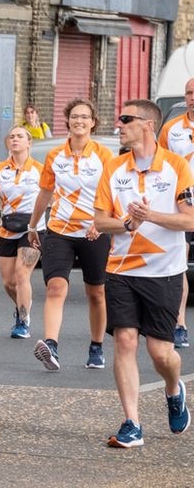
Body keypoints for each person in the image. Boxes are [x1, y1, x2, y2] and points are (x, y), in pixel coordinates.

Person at [94, 99, 192, 448]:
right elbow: (100, 221)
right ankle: (132, 422)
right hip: (120, 270)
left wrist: (150, 217)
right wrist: (127, 223)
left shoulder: (176, 166)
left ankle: (172, 388)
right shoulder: (114, 168)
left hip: (164, 271)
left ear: (148, 125)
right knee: (124, 340)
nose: (118, 124)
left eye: (126, 119)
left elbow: (190, 219)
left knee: (161, 353)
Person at [27, 99, 112, 371]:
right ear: (67, 120)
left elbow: (112, 195)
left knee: (96, 292)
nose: (80, 121)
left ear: (93, 122)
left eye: (85, 117)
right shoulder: (55, 156)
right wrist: (33, 225)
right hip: (59, 230)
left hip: (93, 231)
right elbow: (45, 192)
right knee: (55, 287)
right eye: (75, 116)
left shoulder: (104, 156)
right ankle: (51, 345)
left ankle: (96, 346)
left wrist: (101, 223)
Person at [0, 126, 44, 339]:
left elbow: (53, 196)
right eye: (11, 136)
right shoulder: (0, 170)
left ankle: (22, 321)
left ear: (28, 142)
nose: (15, 139)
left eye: (19, 136)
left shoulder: (40, 170)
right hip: (8, 229)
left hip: (33, 229)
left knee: (22, 274)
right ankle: (23, 306)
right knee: (8, 282)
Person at [156, 75, 194, 349]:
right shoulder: (171, 129)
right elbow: (161, 164)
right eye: (189, 92)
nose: (193, 97)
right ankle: (179, 323)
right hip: (184, 204)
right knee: (181, 260)